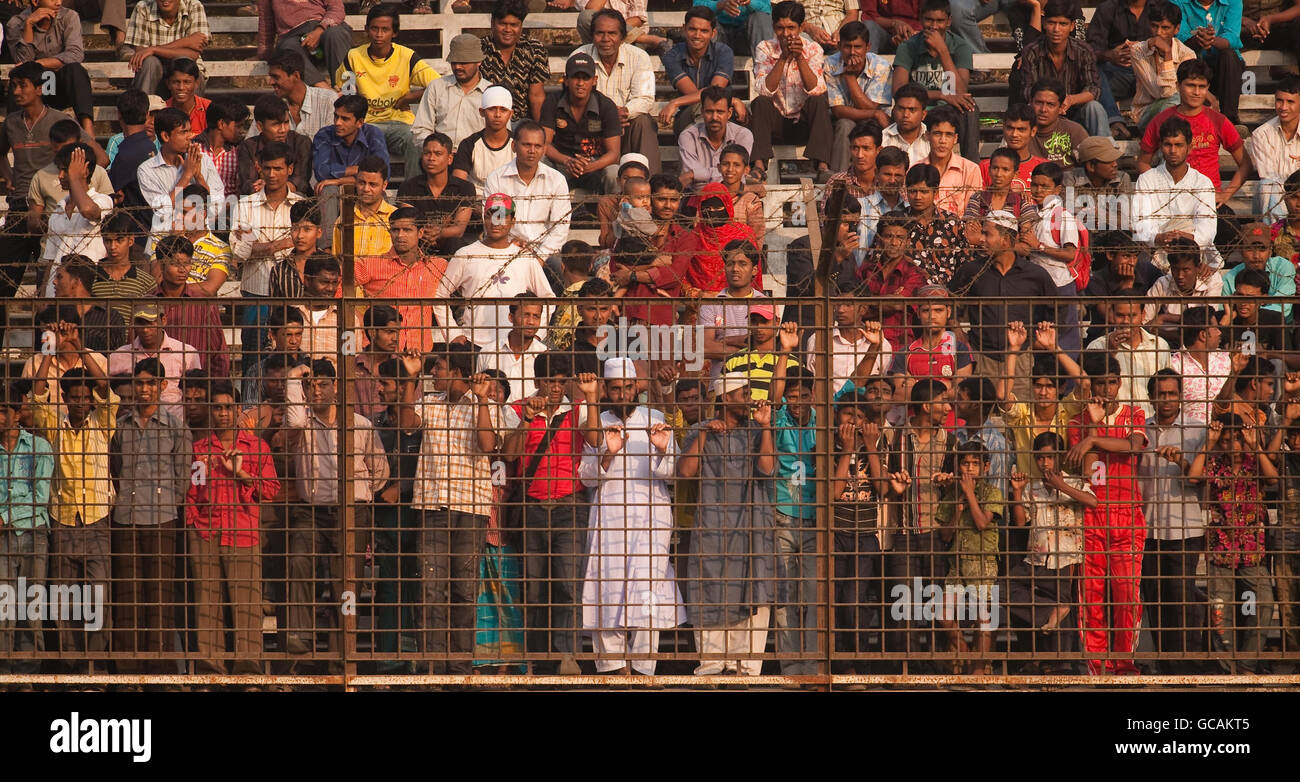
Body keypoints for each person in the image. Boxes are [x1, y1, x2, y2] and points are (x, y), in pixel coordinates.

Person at [398, 347, 501, 674]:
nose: (434, 374)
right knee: (431, 587)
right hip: (432, 504)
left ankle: (458, 666)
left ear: (456, 371)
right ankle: (433, 665)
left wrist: (483, 400)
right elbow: (405, 423)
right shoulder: (431, 402)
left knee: (463, 587)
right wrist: (410, 378)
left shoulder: (488, 405)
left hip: (470, 506)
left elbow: (487, 446)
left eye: (438, 368)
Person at [282, 360, 389, 656]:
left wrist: (360, 492)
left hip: (351, 511)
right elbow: (292, 422)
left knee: (347, 583)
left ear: (336, 388)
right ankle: (299, 637)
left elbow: (380, 471)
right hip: (312, 510)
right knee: (298, 562)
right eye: (311, 384)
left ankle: (344, 657)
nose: (316, 390)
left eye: (323, 384)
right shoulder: (302, 424)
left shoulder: (360, 424)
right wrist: (293, 378)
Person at [679, 372, 776, 676]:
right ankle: (711, 665)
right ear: (724, 398)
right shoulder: (698, 430)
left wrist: (765, 426)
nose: (748, 397)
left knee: (751, 589)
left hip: (750, 525)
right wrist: (707, 432)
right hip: (712, 524)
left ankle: (745, 668)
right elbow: (685, 472)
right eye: (742, 392)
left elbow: (767, 468)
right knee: (710, 588)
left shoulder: (755, 430)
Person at [186, 380, 279, 675]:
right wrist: (193, 522)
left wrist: (241, 473)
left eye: (228, 407)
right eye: (217, 408)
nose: (223, 413)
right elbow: (192, 490)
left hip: (242, 529)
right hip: (206, 530)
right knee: (207, 599)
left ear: (238, 410)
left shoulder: (256, 446)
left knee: (246, 599)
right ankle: (209, 663)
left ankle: (247, 662)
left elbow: (271, 490)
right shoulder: (200, 449)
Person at [29, 357, 116, 668]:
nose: (81, 403)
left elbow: (106, 387)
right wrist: (50, 355)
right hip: (63, 518)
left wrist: (78, 347)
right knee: (64, 597)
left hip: (97, 518)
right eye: (74, 397)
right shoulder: (55, 428)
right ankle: (72, 666)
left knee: (99, 595)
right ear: (64, 398)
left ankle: (95, 664)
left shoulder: (103, 425)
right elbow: (37, 395)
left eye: (86, 397)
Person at [1067, 350, 1149, 675]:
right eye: (1100, 383)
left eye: (1112, 383)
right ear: (1090, 385)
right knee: (1092, 597)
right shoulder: (1077, 421)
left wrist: (1094, 438)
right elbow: (1088, 471)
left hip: (1128, 516)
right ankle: (1097, 669)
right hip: (1091, 517)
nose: (1106, 390)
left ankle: (1124, 665)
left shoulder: (1135, 414)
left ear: (1120, 383)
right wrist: (1094, 426)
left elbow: (1133, 446)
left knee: (1127, 595)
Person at [108, 356, 190, 674]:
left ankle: (159, 667)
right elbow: (115, 469)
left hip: (162, 518)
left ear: (162, 386)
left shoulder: (176, 429)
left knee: (159, 594)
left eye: (150, 383)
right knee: (128, 594)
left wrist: (168, 503)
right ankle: (128, 669)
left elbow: (182, 478)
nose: (144, 389)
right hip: (126, 517)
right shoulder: (121, 427)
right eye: (139, 383)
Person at [1190, 414, 1279, 672]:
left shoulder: (1254, 464)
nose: (1232, 446)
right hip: (1221, 550)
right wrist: (1209, 443)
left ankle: (1246, 664)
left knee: (1258, 604)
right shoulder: (1216, 465)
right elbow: (1193, 477)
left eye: (1237, 440)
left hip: (1251, 551)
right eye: (1227, 441)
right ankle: (1227, 667)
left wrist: (1255, 445)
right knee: (1221, 610)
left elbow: (1273, 478)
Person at [1139, 368, 1208, 670]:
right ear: (1152, 396)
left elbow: (1205, 479)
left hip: (1186, 526)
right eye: (1161, 394)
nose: (1166, 400)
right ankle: (1165, 664)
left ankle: (1189, 663)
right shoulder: (1140, 431)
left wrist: (1181, 460)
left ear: (1181, 396)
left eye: (1172, 394)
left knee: (1183, 599)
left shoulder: (1197, 430)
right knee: (1156, 599)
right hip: (1149, 527)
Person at [1005, 432, 1093, 671]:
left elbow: (1092, 501)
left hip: (1064, 557)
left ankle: (1059, 664)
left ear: (1060, 458)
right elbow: (1021, 523)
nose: (1045, 463)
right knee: (1003, 589)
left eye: (1050, 457)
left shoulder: (1074, 482)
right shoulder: (1032, 488)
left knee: (1061, 605)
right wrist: (1016, 491)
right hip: (1035, 557)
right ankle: (1048, 617)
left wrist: (1060, 485)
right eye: (1040, 458)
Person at [949, 210, 1056, 401]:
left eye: (987, 234)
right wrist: (957, 329)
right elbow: (951, 301)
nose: (981, 239)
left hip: (1021, 360)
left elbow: (1056, 309)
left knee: (1018, 416)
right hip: (981, 356)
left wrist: (1037, 339)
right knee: (981, 416)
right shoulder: (972, 270)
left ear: (1006, 239)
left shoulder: (1035, 274)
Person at [433, 193, 557, 350]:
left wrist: (536, 334)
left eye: (502, 216)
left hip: (514, 344)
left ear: (513, 221)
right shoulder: (465, 254)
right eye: (491, 215)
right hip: (474, 343)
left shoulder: (523, 257)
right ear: (484, 218)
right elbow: (439, 295)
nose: (496, 221)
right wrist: (453, 334)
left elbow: (547, 297)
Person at [335, 4, 437, 179]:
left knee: (417, 140)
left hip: (400, 124)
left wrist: (411, 97)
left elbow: (438, 85)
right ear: (366, 29)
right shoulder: (354, 57)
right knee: (359, 139)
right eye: (374, 28)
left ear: (394, 32)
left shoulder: (407, 56)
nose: (379, 34)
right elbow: (346, 94)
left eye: (385, 29)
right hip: (367, 124)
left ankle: (411, 196)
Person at [934, 441, 1002, 674]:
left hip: (983, 564)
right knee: (942, 613)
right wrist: (958, 509)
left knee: (983, 621)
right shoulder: (952, 493)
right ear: (958, 466)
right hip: (957, 565)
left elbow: (983, 523)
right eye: (965, 463)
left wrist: (970, 495)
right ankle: (969, 656)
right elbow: (944, 534)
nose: (970, 468)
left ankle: (978, 672)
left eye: (975, 464)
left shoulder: (993, 492)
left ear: (985, 467)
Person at [0, 385, 54, 678]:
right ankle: (5, 671)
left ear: (16, 414)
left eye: (2, 411)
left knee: (31, 605)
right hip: (4, 536)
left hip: (33, 532)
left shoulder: (39, 447)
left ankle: (28, 673)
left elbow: (40, 495)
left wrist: (5, 514)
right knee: (4, 606)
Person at [1137, 58, 1247, 201]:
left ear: (1208, 88)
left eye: (1202, 87)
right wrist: (1161, 189)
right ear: (1177, 86)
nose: (1196, 92)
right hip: (1172, 198)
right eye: (1190, 85)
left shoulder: (1218, 120)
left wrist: (1226, 194)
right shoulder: (1161, 119)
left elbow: (1246, 164)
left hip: (1208, 199)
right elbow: (1142, 162)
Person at [749, 1, 833, 183]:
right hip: (775, 123)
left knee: (819, 100)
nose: (785, 34)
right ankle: (757, 167)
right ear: (773, 27)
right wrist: (783, 58)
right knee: (760, 103)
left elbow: (817, 88)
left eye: (791, 28)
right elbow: (763, 89)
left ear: (802, 27)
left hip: (804, 123)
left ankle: (823, 167)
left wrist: (799, 57)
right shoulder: (765, 48)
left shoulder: (813, 49)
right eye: (780, 28)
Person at [888, 0, 981, 161]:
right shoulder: (908, 47)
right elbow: (899, 90)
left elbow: (960, 91)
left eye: (940, 21)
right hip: (918, 110)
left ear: (949, 22)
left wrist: (943, 51)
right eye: (929, 20)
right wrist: (941, 95)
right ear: (921, 19)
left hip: (948, 110)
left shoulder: (960, 46)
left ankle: (972, 167)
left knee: (970, 108)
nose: (934, 26)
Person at [575, 9, 662, 179]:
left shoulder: (638, 57)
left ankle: (651, 188)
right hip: (593, 128)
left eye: (612, 33)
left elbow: (645, 98)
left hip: (626, 124)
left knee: (643, 122)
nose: (606, 39)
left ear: (622, 37)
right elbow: (574, 98)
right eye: (600, 33)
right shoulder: (580, 56)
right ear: (592, 35)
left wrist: (623, 112)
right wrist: (608, 115)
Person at [1009, 0, 1110, 137]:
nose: (1056, 29)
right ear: (1044, 23)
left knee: (1094, 108)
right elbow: (1028, 91)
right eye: (1051, 23)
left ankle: (1104, 155)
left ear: (1072, 26)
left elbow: (1093, 89)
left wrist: (1070, 100)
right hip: (1043, 113)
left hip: (1075, 112)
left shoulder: (1083, 51)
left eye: (1063, 24)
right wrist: (1052, 105)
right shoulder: (1032, 51)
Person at [1133, 116, 1221, 269]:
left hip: (1192, 252)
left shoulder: (1202, 182)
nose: (1173, 151)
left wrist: (1187, 238)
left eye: (1179, 145)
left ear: (1189, 147)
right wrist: (1160, 237)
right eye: (1168, 145)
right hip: (1156, 251)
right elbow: (1139, 223)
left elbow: (1208, 227)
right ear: (1161, 146)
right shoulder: (1147, 179)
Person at [484, 121, 572, 259]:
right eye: (526, 145)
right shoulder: (497, 179)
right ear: (514, 146)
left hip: (545, 252)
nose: (532, 151)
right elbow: (495, 222)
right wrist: (509, 244)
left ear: (544, 149)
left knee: (556, 266)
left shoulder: (556, 179)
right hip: (506, 249)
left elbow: (560, 227)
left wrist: (541, 256)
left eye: (537, 146)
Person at [312, 94, 390, 248]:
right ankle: (327, 249)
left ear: (360, 122)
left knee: (377, 191)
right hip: (334, 192)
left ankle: (382, 247)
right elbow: (322, 171)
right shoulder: (324, 135)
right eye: (336, 117)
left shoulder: (373, 134)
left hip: (363, 188)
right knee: (328, 189)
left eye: (345, 119)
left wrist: (339, 179)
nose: (337, 123)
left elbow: (382, 173)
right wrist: (356, 171)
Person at [137, 107, 224, 246]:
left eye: (189, 131)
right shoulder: (147, 170)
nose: (190, 136)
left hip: (202, 243)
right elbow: (162, 209)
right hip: (166, 244)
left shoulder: (203, 160)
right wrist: (187, 175)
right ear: (165, 136)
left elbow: (215, 206)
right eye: (183, 132)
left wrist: (198, 175)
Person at [6, 0, 95, 135]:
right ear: (35, 1)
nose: (58, 3)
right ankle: (15, 137)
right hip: (34, 88)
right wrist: (28, 26)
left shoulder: (69, 16)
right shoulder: (16, 23)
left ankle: (89, 132)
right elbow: (22, 65)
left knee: (76, 70)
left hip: (59, 85)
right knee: (18, 80)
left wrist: (38, 64)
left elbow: (75, 54)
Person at [540, 52, 622, 194]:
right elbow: (544, 144)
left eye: (586, 78)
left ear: (595, 80)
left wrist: (591, 166)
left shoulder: (606, 105)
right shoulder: (552, 101)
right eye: (575, 77)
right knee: (539, 161)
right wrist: (567, 161)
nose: (580, 83)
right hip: (561, 162)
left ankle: (611, 213)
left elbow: (614, 153)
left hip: (596, 163)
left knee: (613, 173)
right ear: (565, 80)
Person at [659, 6, 740, 138]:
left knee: (741, 115)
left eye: (704, 31)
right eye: (692, 29)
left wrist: (675, 102)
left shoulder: (723, 52)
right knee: (700, 107)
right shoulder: (672, 55)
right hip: (687, 116)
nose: (697, 35)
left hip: (721, 114)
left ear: (713, 33)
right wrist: (734, 100)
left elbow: (716, 90)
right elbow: (704, 96)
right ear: (684, 29)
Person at [1084, 293, 1170, 414]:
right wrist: (1110, 352)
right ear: (1112, 315)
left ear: (1143, 315)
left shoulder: (1160, 346)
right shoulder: (1097, 346)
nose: (1126, 321)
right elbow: (1089, 389)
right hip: (1114, 426)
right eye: (1120, 315)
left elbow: (1168, 386)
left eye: (1132, 316)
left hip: (1152, 424)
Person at [827, 21, 893, 172]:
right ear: (839, 46)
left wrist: (849, 78)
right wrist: (874, 113)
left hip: (875, 124)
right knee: (844, 124)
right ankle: (839, 178)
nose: (852, 52)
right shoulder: (830, 64)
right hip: (843, 121)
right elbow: (838, 110)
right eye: (847, 46)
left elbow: (871, 106)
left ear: (867, 47)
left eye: (857, 47)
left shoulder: (880, 66)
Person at [1169, 0, 1245, 123]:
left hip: (1225, 69)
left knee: (1228, 55)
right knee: (1185, 57)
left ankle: (1230, 120)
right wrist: (1199, 39)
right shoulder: (1177, 2)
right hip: (1192, 62)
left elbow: (1232, 37)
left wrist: (1212, 40)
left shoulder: (1234, 1)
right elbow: (1179, 36)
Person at [411, 34, 491, 151]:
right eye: (454, 62)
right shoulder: (436, 87)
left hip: (478, 158)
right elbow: (421, 129)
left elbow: (500, 135)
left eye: (463, 62)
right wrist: (437, 150)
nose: (458, 67)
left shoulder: (491, 93)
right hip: (441, 158)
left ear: (478, 62)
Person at [1087, 0, 1153, 137]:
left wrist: (1144, 47)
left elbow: (1171, 43)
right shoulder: (1108, 8)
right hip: (1116, 75)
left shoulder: (1160, 6)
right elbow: (1090, 51)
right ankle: (1115, 121)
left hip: (1151, 74)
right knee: (1094, 68)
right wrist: (1109, 55)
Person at [476, 0, 550, 123]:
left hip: (521, 122)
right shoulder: (479, 49)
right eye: (503, 24)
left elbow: (536, 97)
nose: (508, 29)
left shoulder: (535, 50)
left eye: (514, 25)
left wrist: (539, 132)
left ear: (521, 25)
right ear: (492, 23)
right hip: (485, 121)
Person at [1126, 2, 1196, 129]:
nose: (1158, 32)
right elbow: (1162, 93)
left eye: (1165, 28)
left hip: (1178, 112)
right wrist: (1168, 55)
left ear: (1177, 29)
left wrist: (1167, 53)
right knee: (1174, 101)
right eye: (1154, 26)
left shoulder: (1187, 54)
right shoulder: (1138, 50)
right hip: (1146, 114)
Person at [897, 162, 968, 286]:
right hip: (909, 297)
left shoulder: (952, 223)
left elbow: (964, 262)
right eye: (913, 191)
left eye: (924, 192)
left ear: (935, 192)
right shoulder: (898, 223)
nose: (917, 197)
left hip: (947, 296)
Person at [254, 0, 352, 89]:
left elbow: (337, 9)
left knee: (335, 34)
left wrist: (319, 31)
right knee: (287, 48)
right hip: (292, 35)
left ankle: (347, 91)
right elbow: (266, 19)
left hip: (325, 27)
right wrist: (264, 51)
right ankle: (325, 90)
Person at [122, 0, 210, 97]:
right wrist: (186, 42)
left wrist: (153, 49)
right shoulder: (143, 7)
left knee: (188, 67)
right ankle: (141, 110)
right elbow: (141, 54)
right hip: (155, 75)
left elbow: (192, 54)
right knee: (150, 62)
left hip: (184, 73)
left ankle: (188, 112)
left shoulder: (194, 6)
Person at [1245, 75, 1300, 222]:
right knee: (1268, 186)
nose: (1283, 107)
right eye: (1279, 100)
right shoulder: (1262, 134)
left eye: (1290, 102)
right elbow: (1270, 179)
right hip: (1275, 200)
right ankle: (1279, 235)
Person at [677, 85, 754, 190]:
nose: (714, 117)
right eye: (709, 111)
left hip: (732, 195)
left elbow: (737, 175)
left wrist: (694, 174)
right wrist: (693, 175)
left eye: (720, 112)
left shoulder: (743, 135)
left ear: (729, 113)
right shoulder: (688, 136)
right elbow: (692, 177)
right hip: (698, 196)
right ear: (702, 112)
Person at [1166, 306, 1234, 424]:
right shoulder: (1175, 366)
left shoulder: (1225, 359)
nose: (1219, 332)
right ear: (1203, 335)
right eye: (1215, 328)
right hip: (1190, 433)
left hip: (1226, 429)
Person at [1142, 238, 1223, 337]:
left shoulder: (1212, 280)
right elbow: (1145, 323)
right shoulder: (1163, 284)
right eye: (1175, 269)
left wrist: (1165, 317)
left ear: (1198, 267)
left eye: (1186, 270)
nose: (1180, 275)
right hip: (1168, 341)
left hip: (1200, 342)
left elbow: (1209, 321)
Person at [236, 95, 312, 196]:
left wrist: (271, 188)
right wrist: (258, 187)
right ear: (260, 126)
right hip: (259, 197)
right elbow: (247, 184)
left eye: (286, 123)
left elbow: (301, 182)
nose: (283, 130)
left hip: (293, 198)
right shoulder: (248, 147)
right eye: (276, 124)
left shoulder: (301, 142)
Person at [1221, 222, 1296, 322]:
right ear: (1240, 249)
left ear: (1270, 250)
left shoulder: (1283, 268)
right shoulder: (1230, 278)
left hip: (1280, 330)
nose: (1256, 256)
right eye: (1250, 249)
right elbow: (1224, 312)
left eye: (1262, 249)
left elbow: (1283, 309)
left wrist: (1246, 312)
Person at [450, 86, 515, 196]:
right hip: (475, 205)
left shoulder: (519, 143)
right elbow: (458, 185)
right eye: (492, 109)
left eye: (503, 110)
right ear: (482, 112)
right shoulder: (469, 144)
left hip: (513, 204)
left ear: (510, 114)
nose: (497, 115)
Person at [266, 48, 339, 141]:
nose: (271, 82)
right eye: (271, 77)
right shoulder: (269, 104)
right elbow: (254, 144)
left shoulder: (328, 100)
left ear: (296, 76)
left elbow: (333, 145)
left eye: (276, 77)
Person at [924, 105, 981, 216]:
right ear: (927, 135)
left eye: (948, 135)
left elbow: (972, 214)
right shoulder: (916, 169)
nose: (943, 141)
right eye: (937, 134)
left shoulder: (970, 170)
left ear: (955, 138)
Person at [981, 103, 1048, 193]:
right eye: (1010, 128)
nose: (1014, 134)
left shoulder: (1044, 167)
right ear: (1003, 128)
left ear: (1033, 131)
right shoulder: (986, 167)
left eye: (1021, 129)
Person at [1026, 78, 1091, 167]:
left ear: (1061, 108)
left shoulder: (1075, 131)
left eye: (1050, 104)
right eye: (1039, 103)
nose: (1043, 109)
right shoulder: (1018, 130)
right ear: (1030, 103)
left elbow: (1091, 165)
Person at [695, 0, 776, 56]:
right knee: (703, 20)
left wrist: (750, 2)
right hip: (718, 35)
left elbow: (767, 8)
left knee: (761, 18)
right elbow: (696, 7)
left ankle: (765, 73)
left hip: (747, 38)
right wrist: (720, 5)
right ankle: (705, 77)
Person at [881, 82, 930, 165]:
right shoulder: (883, 138)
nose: (905, 115)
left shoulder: (931, 139)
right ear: (894, 110)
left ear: (923, 114)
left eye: (912, 110)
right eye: (901, 109)